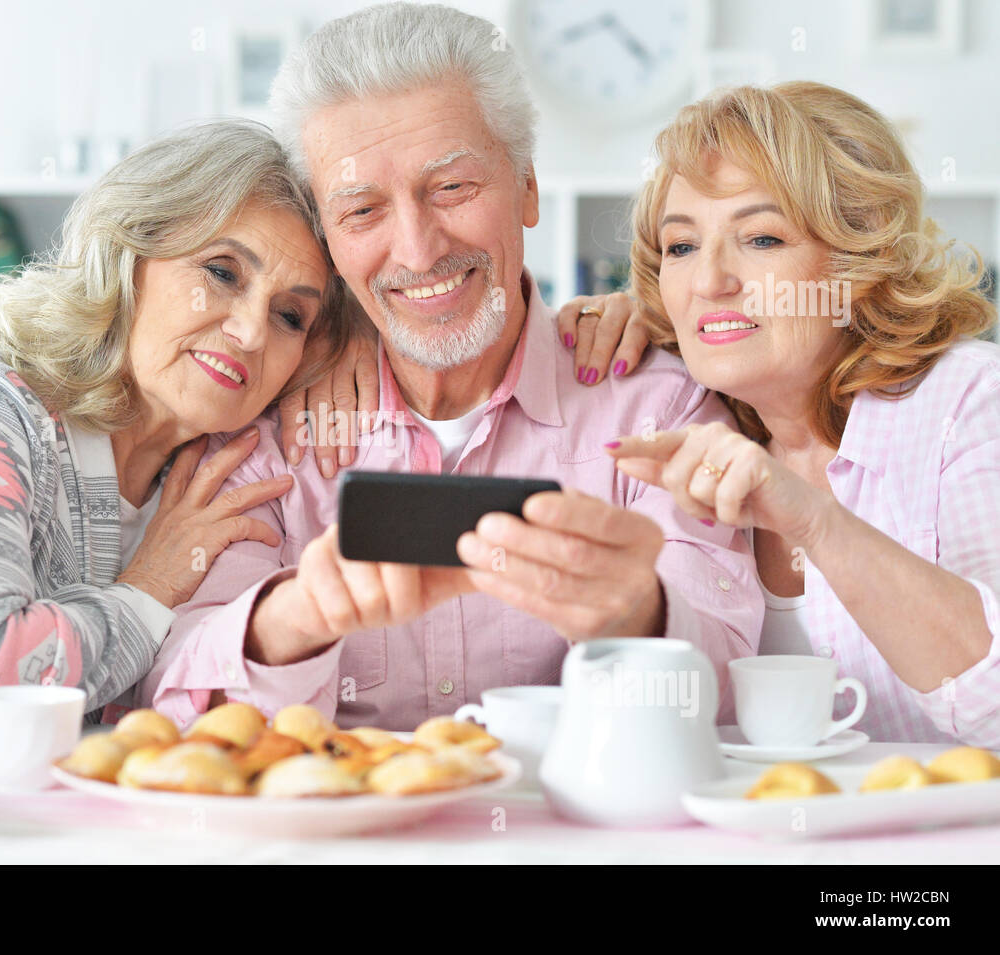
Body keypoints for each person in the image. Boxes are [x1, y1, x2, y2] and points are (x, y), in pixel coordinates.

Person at [133, 2, 763, 730]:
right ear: (328, 240)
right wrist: (294, 617)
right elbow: (173, 700)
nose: (419, 250)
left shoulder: (661, 410)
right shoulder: (269, 434)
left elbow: (722, 688)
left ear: (526, 186)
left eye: (452, 188)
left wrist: (637, 613)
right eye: (362, 210)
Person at [0, 120, 350, 735]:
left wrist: (356, 356)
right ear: (129, 255)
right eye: (223, 272)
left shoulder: (221, 475)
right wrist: (150, 586)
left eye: (291, 315)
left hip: (45, 820)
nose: (253, 332)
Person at [558, 82, 1000, 745]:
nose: (709, 281)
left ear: (858, 261)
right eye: (680, 247)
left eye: (761, 239)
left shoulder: (965, 402)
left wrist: (815, 521)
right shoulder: (681, 414)